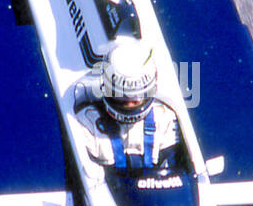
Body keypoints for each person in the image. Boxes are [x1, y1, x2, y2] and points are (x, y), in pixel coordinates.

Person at [74, 37, 180, 171]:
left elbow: (174, 167)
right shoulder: (87, 123)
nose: (130, 103)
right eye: (122, 96)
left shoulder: (165, 120)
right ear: (107, 90)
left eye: (136, 97)